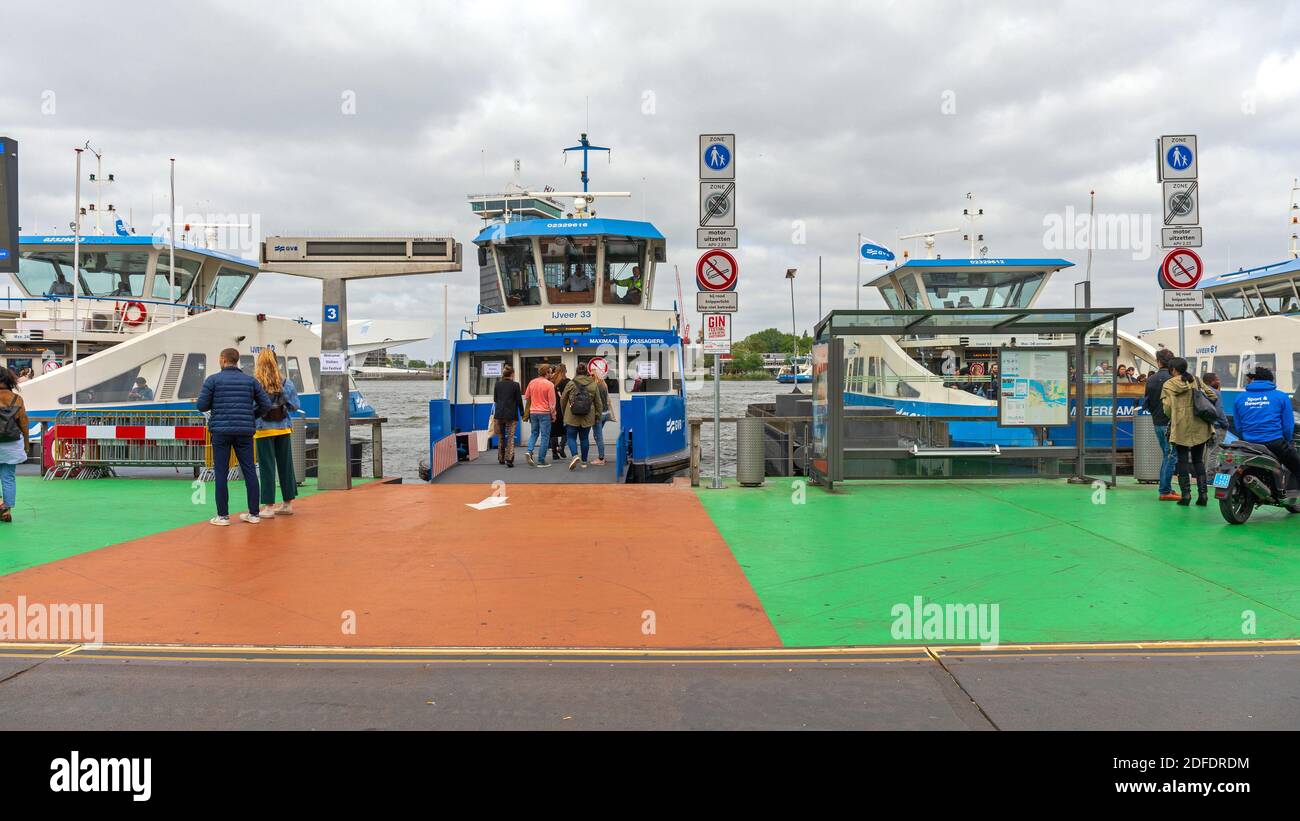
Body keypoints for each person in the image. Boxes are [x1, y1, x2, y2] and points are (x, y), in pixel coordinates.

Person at [197, 347, 272, 526]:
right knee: (249, 471)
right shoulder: (250, 381)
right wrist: (250, 415)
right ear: (236, 360)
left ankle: (222, 516)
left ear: (223, 360)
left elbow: (201, 405)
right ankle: (254, 514)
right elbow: (266, 404)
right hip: (244, 432)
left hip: (221, 432)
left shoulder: (213, 380)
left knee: (221, 473)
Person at [1161, 357, 1217, 506]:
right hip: (1200, 424)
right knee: (1198, 460)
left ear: (1173, 369)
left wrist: (1176, 414)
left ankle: (1186, 495)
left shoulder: (1169, 384)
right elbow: (1213, 395)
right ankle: (1203, 495)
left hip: (1180, 426)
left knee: (1182, 460)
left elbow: (1166, 407)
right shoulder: (1196, 380)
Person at [1231, 366, 1300, 486]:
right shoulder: (1281, 396)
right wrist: (1287, 441)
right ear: (1270, 380)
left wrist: (1247, 437)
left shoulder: (1240, 398)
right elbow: (1288, 427)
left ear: (1253, 379)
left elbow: (1238, 426)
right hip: (1274, 443)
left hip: (1248, 444)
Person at [252, 350, 301, 519]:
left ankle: (268, 506)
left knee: (267, 468)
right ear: (276, 362)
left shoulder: (256, 384)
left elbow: (252, 407)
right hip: (283, 428)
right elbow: (295, 406)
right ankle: (287, 504)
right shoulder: (286, 383)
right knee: (286, 466)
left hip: (263, 429)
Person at [1144, 348, 1180, 501]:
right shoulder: (1174, 379)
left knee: (1167, 455)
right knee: (1171, 456)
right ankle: (1165, 490)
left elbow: (1147, 403)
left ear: (1158, 361)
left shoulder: (1151, 379)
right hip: (1171, 423)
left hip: (1157, 422)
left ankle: (1166, 488)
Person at [560, 361, 605, 470]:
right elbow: (598, 402)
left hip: (572, 416)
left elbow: (563, 399)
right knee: (584, 438)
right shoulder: (593, 384)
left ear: (576, 371)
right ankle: (584, 462)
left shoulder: (570, 383)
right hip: (587, 416)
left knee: (571, 437)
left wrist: (564, 413)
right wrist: (598, 415)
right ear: (587, 372)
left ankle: (575, 455)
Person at [0, 368, 30, 523]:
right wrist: (26, 443)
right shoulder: (16, 399)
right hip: (11, 444)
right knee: (8, 477)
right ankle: (6, 510)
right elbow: (24, 423)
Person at [523, 363, 557, 467]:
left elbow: (526, 396)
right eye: (550, 372)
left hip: (533, 412)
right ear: (547, 372)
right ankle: (541, 460)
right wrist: (554, 415)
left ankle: (529, 451)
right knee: (545, 436)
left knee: (534, 433)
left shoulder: (532, 382)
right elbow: (552, 403)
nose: (551, 374)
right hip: (544, 413)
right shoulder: (549, 385)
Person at [492, 364, 523, 468]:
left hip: (499, 414)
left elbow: (495, 399)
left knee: (501, 437)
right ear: (512, 374)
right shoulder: (515, 385)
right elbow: (519, 401)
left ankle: (501, 458)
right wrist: (522, 413)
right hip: (511, 415)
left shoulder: (497, 384)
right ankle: (509, 459)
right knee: (510, 437)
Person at [1201, 372, 1231, 472]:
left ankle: (1203, 475)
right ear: (1212, 381)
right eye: (1217, 379)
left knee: (1206, 453)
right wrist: (1226, 424)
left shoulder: (1201, 391)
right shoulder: (1215, 393)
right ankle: (1210, 477)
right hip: (1217, 427)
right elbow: (1219, 411)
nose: (1219, 381)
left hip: (1204, 426)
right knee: (1214, 453)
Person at [590, 366, 611, 466]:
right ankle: (601, 455)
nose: (590, 376)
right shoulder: (604, 384)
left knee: (598, 436)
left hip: (599, 414)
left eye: (592, 374)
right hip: (606, 413)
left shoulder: (595, 386)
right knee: (597, 435)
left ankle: (601, 458)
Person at [549, 363, 571, 461]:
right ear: (565, 371)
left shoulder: (551, 382)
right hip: (565, 409)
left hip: (554, 408)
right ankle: (561, 447)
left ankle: (554, 453)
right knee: (566, 430)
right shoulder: (568, 382)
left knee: (553, 432)